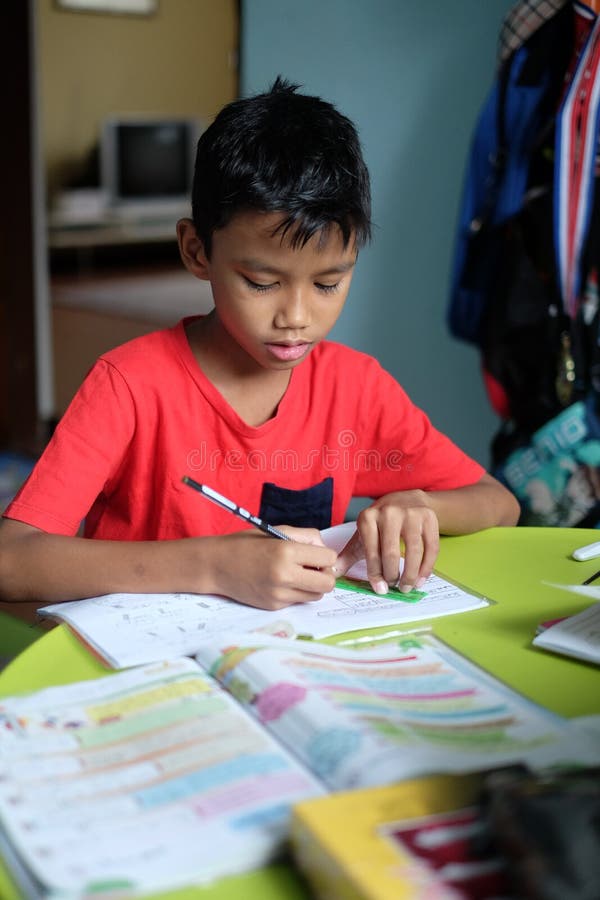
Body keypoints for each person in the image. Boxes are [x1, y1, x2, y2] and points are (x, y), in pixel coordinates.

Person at [0, 78, 520, 612]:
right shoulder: (129, 386)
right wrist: (212, 565)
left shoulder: (355, 388)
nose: (296, 318)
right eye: (262, 282)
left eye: (328, 284)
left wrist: (418, 504)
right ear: (196, 251)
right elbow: (12, 560)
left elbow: (498, 503)